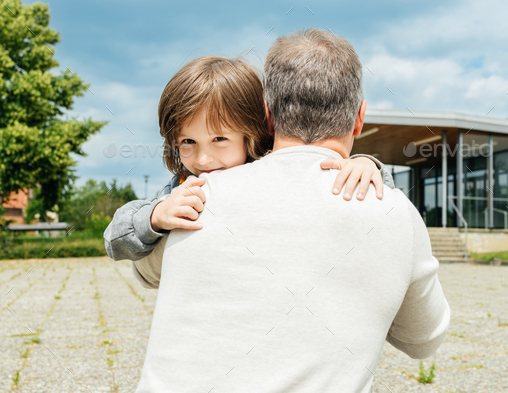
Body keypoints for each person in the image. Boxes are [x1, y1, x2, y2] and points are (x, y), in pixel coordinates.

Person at [133, 29, 450, 393]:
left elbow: (144, 270)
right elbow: (424, 340)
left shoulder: (193, 198)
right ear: (359, 117)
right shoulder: (393, 210)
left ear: (267, 116)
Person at [103, 56, 394, 262]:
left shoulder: (277, 168)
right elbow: (114, 241)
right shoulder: (184, 187)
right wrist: (156, 217)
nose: (204, 158)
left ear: (252, 133)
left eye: (219, 139)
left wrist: (368, 165)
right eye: (188, 142)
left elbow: (382, 195)